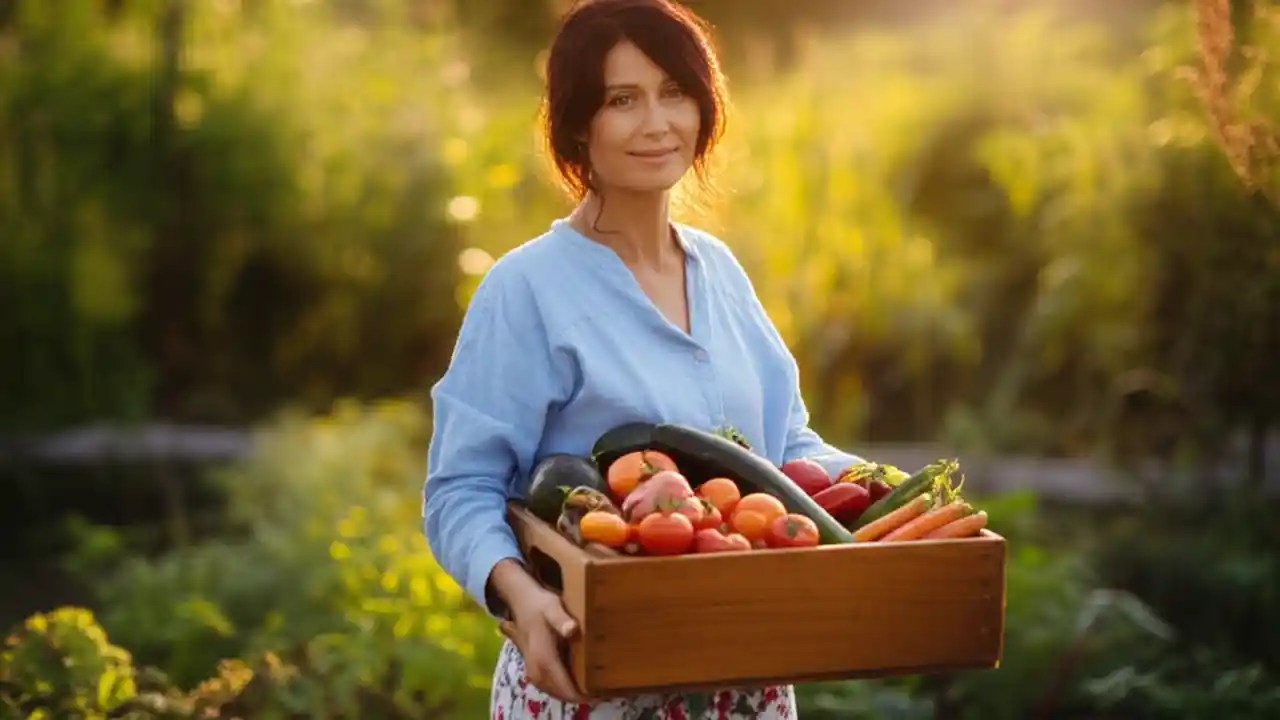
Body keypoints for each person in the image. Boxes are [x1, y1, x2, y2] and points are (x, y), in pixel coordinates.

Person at [422, 1, 864, 717]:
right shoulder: (528, 288)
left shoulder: (719, 270)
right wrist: (524, 598)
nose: (657, 123)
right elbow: (461, 490)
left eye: (675, 93)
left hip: (747, 677)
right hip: (591, 682)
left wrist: (901, 497)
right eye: (622, 100)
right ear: (575, 125)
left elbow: (788, 451)